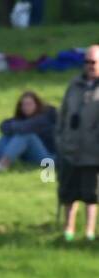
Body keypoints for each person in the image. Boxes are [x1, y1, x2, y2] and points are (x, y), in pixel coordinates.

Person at [56, 44, 99, 242]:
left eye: (94, 62)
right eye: (87, 62)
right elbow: (63, 114)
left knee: (92, 195)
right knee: (68, 194)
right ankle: (69, 232)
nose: (89, 66)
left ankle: (89, 233)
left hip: (94, 153)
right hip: (71, 150)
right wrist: (61, 139)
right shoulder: (73, 85)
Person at [0, 91, 56, 173]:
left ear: (37, 104)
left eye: (29, 104)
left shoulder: (46, 115)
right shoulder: (23, 118)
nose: (26, 107)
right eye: (23, 105)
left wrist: (13, 126)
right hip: (29, 157)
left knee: (27, 135)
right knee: (9, 134)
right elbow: (3, 125)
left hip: (49, 157)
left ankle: (3, 164)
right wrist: (14, 127)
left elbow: (24, 127)